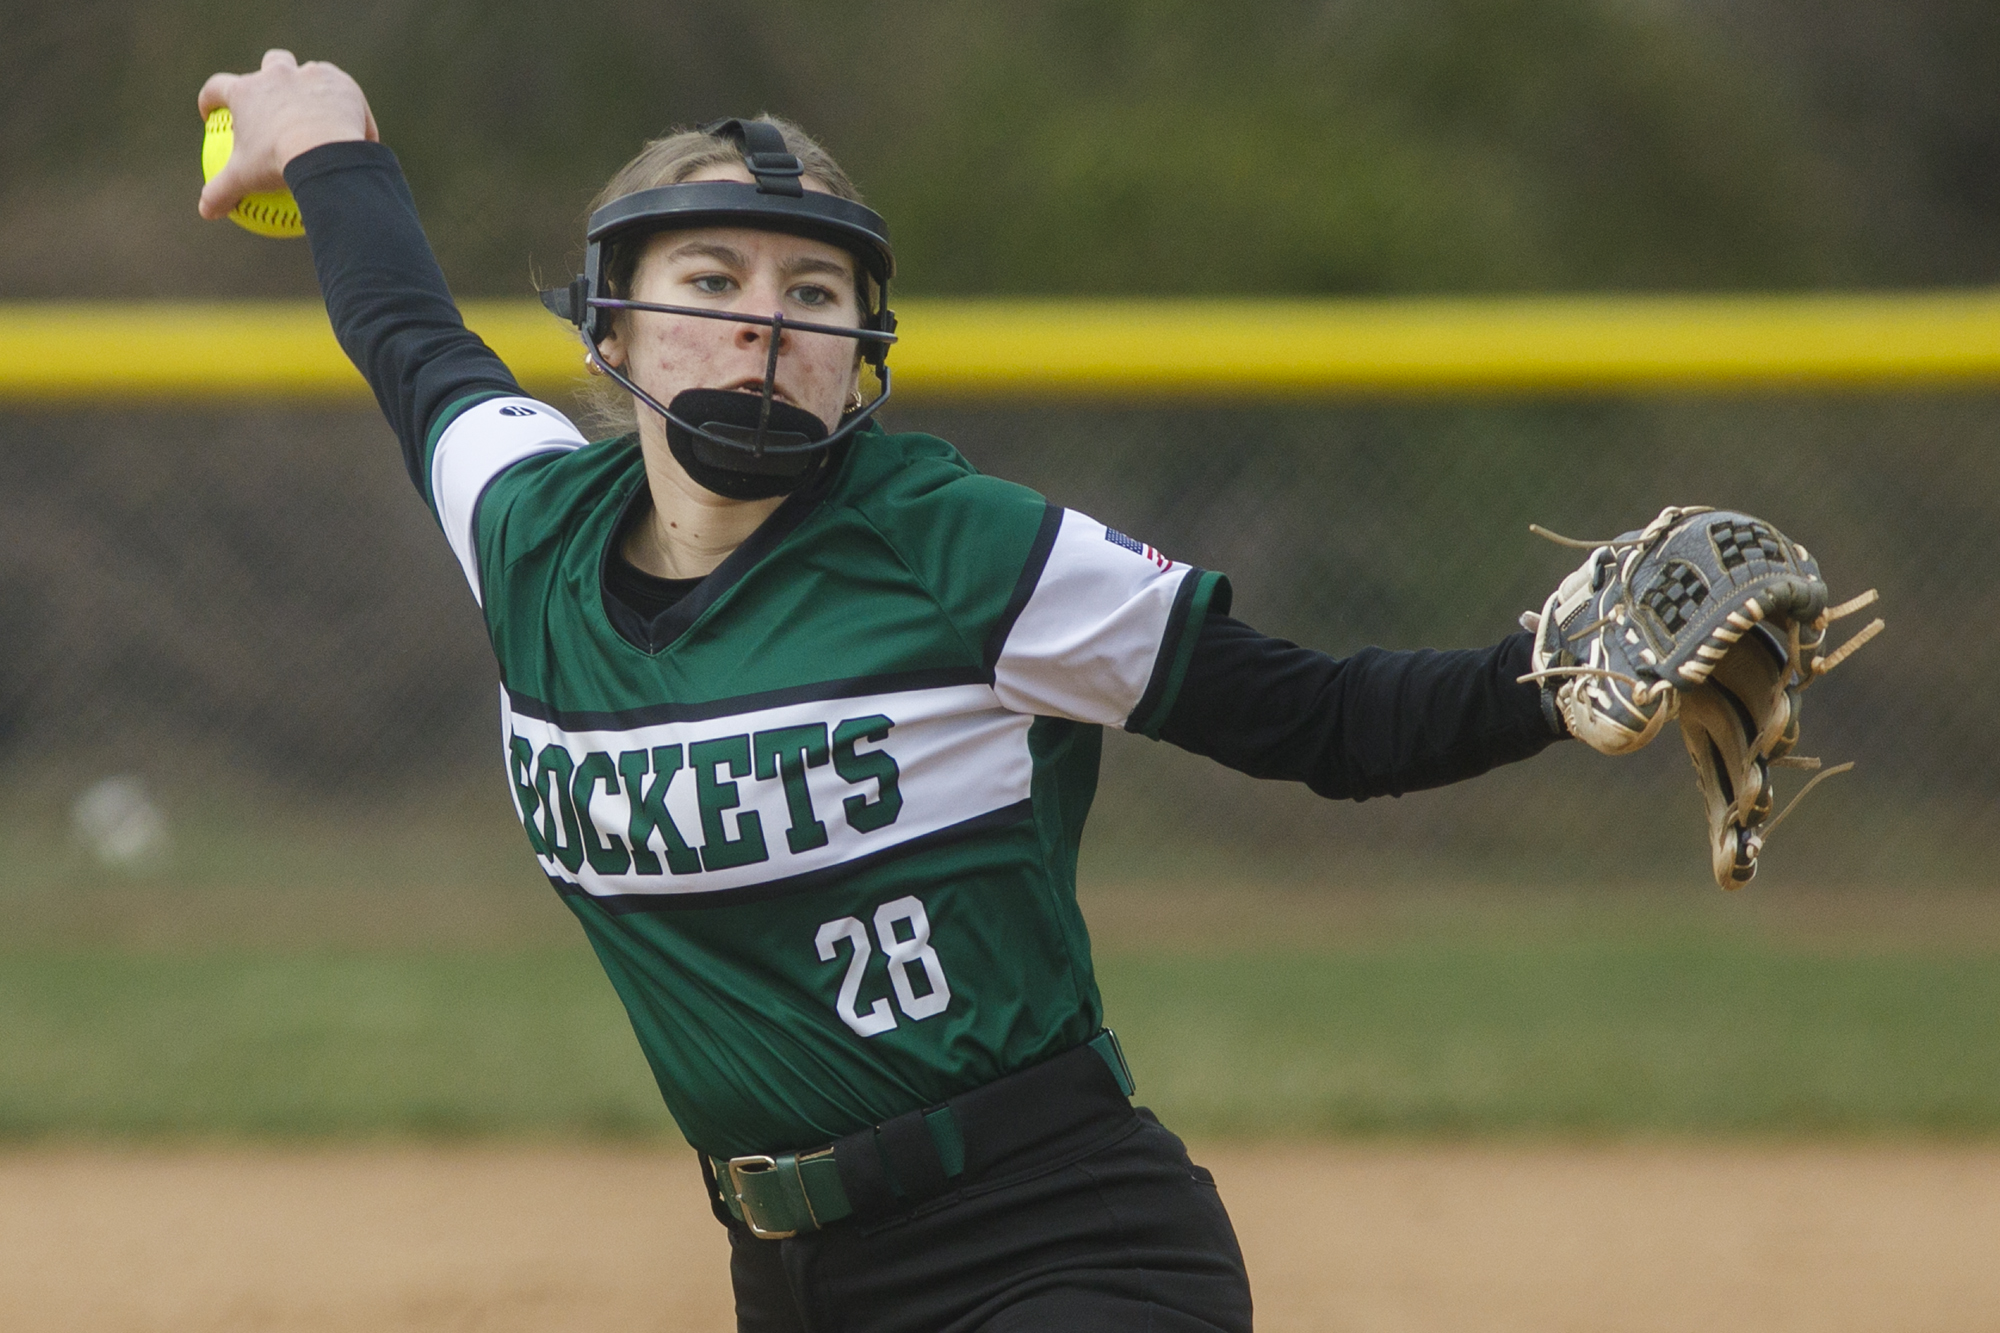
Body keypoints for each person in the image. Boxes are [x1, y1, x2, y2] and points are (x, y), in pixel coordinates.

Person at [198, 50, 1567, 1333]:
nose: (763, 328)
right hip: (792, 1279)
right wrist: (323, 130)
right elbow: (404, 331)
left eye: (813, 295)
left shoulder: (960, 550)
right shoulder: (528, 530)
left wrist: (1554, 678)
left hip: (1063, 1243)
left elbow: (1322, 719)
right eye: (713, 280)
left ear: (863, 346)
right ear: (613, 320)